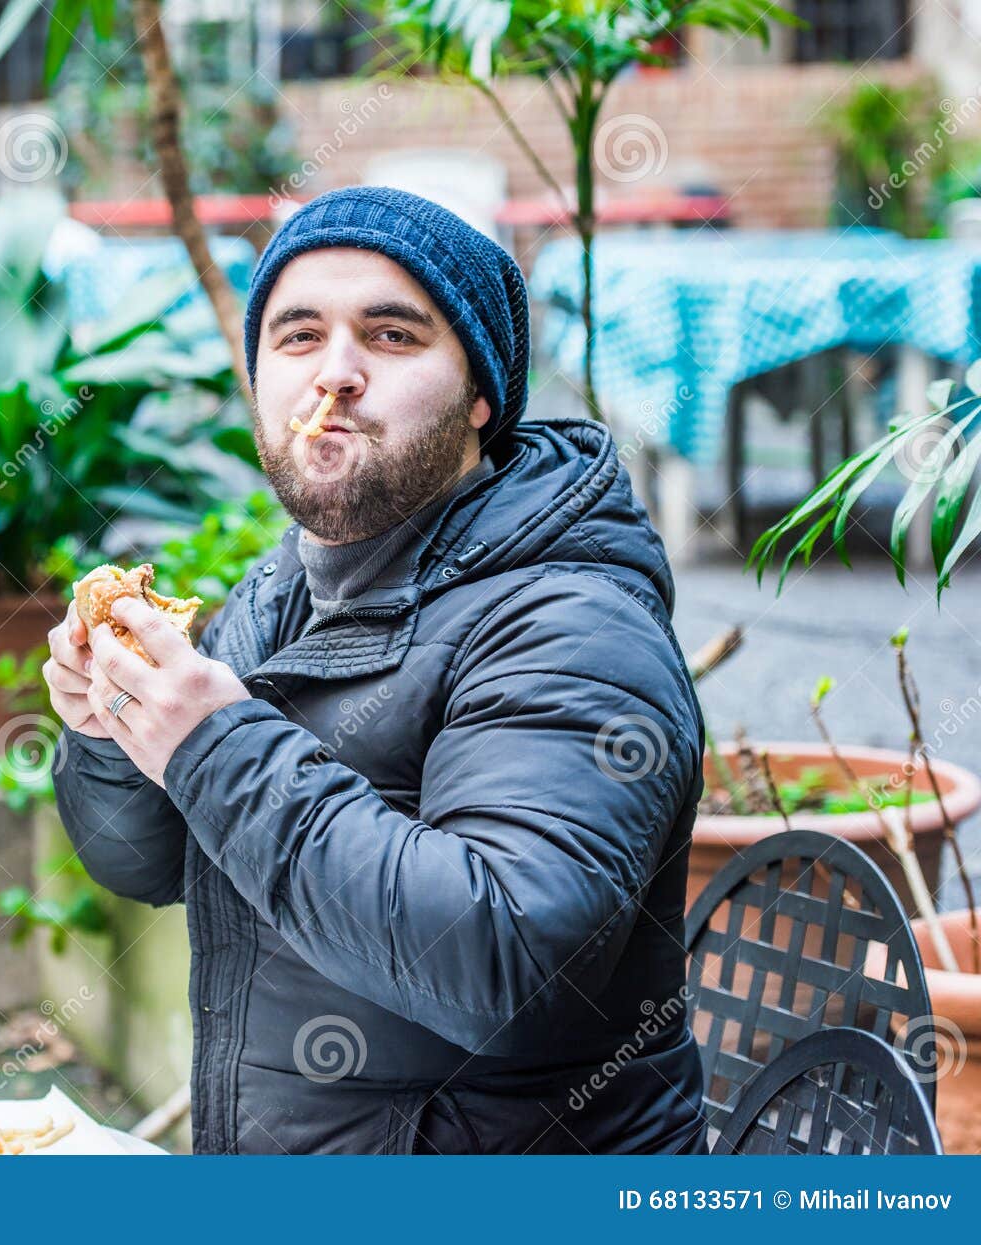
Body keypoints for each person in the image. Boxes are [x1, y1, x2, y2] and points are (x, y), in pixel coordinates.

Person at [43, 186, 707, 1154]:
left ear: (481, 396)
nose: (335, 374)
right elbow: (140, 861)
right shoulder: (280, 590)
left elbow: (504, 962)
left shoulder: (572, 625)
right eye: (297, 337)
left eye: (391, 337)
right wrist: (113, 730)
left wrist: (213, 745)